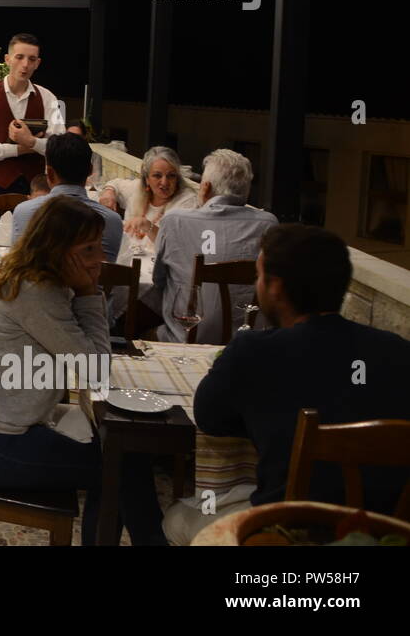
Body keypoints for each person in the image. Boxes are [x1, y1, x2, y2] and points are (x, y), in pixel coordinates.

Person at [163, 225, 410, 544]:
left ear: (276, 287)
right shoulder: (400, 351)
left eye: (259, 275)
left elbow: (210, 419)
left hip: (287, 533)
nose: (258, 285)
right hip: (384, 534)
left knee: (176, 518)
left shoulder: (252, 351)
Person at [0, 196, 167, 546]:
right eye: (89, 249)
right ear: (58, 249)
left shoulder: (35, 280)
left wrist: (84, 290)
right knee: (120, 466)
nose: (100, 259)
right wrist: (90, 291)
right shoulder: (37, 292)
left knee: (122, 453)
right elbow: (94, 368)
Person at [148, 149, 277, 344]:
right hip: (249, 342)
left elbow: (158, 280)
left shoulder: (174, 221)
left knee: (137, 328)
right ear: (246, 191)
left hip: (186, 338)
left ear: (205, 187)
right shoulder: (268, 225)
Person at [0, 33, 65, 234]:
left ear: (38, 63)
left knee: (37, 248)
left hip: (38, 190)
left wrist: (31, 142)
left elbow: (61, 147)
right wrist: (21, 149)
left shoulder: (50, 99)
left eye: (31, 59)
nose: (25, 65)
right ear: (7, 59)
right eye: (19, 57)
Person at [12, 134, 122, 263]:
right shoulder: (112, 220)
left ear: (50, 173)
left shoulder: (24, 211)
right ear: (90, 171)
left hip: (39, 283)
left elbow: (18, 266)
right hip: (90, 283)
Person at [98, 146, 199, 260]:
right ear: (146, 179)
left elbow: (176, 247)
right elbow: (115, 184)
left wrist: (147, 225)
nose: (164, 182)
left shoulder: (187, 202)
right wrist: (109, 192)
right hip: (129, 261)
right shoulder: (137, 189)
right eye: (157, 175)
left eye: (171, 176)